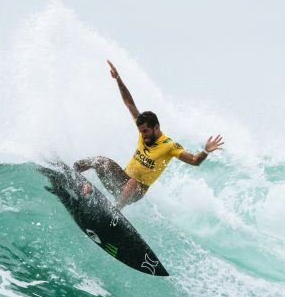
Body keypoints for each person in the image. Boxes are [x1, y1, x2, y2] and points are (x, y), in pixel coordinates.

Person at [73, 60, 224, 209]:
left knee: (132, 182)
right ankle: (72, 174)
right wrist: (118, 79)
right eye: (141, 131)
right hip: (121, 180)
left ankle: (114, 211)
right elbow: (129, 103)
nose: (143, 135)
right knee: (100, 161)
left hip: (136, 191)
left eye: (145, 131)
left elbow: (194, 160)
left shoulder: (169, 146)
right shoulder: (143, 130)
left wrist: (205, 151)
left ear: (156, 127)